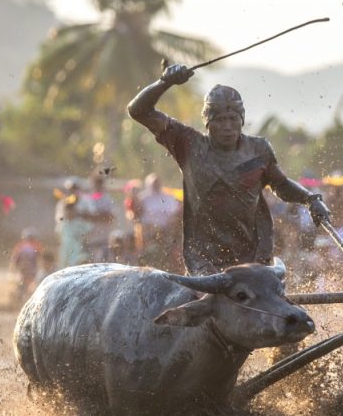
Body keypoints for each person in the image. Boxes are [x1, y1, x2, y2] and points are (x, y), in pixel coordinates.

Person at [128, 65, 331, 274]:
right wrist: (165, 82)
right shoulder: (189, 144)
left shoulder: (259, 150)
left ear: (241, 119)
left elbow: (281, 185)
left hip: (254, 257)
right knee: (207, 304)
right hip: (204, 260)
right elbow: (138, 110)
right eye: (220, 120)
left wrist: (310, 199)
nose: (227, 126)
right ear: (208, 121)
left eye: (233, 119)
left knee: (264, 304)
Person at [132, 173, 181, 269]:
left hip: (166, 231)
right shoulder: (142, 198)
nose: (156, 185)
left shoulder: (168, 197)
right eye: (154, 183)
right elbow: (136, 217)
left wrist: (172, 225)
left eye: (157, 183)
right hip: (148, 232)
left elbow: (175, 213)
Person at [78, 172, 117, 262]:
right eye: (95, 183)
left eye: (99, 183)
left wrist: (93, 217)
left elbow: (111, 217)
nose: (96, 186)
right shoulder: (86, 199)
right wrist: (100, 216)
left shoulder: (107, 199)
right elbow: (82, 216)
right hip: (89, 240)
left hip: (103, 240)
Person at [9, 228, 43, 303]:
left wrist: (13, 267)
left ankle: (21, 296)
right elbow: (40, 257)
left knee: (25, 282)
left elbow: (15, 258)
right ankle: (26, 297)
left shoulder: (21, 246)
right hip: (30, 268)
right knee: (30, 282)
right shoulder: (36, 245)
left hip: (24, 268)